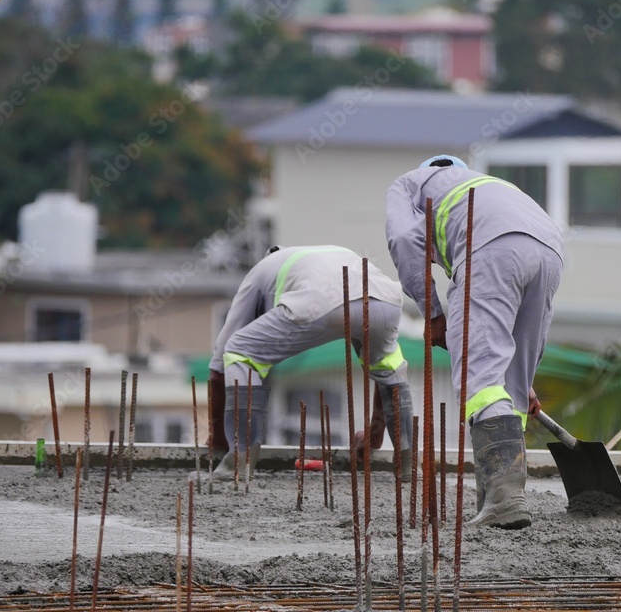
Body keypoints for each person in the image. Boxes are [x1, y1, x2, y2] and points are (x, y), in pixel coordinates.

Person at [385, 155, 563, 529]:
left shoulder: (409, 183)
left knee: (479, 380)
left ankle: (504, 500)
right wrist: (521, 379)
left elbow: (403, 239)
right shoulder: (484, 185)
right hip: (550, 250)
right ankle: (496, 497)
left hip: (490, 250)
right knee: (510, 387)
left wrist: (432, 313)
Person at [208, 245, 415, 477]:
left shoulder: (259, 272)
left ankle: (237, 463)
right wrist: (373, 440)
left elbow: (219, 370)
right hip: (385, 301)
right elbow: (383, 375)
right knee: (389, 368)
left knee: (238, 351)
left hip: (319, 301)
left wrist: (217, 443)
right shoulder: (323, 254)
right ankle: (407, 465)